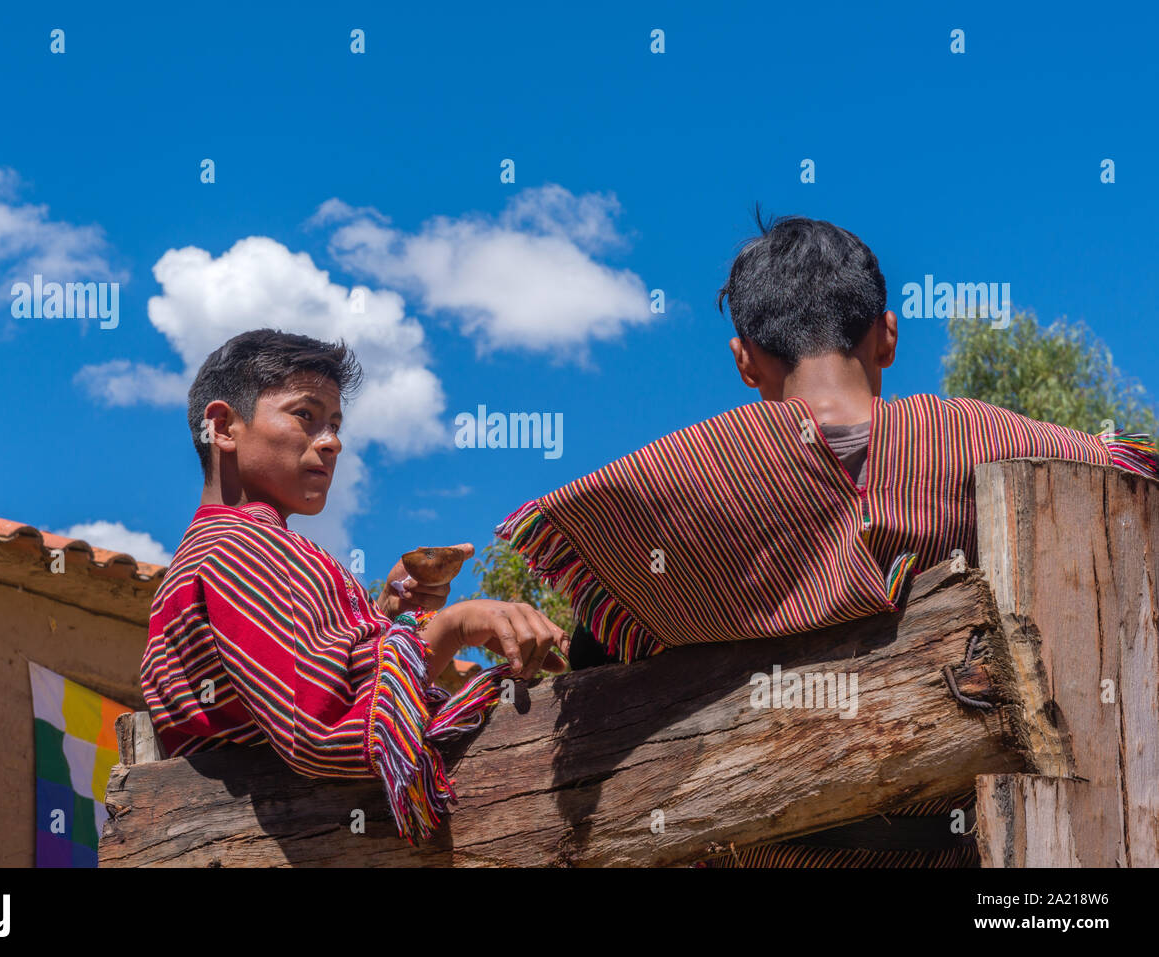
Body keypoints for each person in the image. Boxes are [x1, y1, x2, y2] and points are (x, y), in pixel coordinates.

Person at [496, 212, 1157, 865]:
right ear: (887, 336)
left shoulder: (677, 488)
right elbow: (1126, 479)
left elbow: (595, 669)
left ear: (745, 359)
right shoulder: (993, 443)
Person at [141, 329, 567, 843]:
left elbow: (321, 676)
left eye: (336, 424)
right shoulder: (238, 548)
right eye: (306, 415)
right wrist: (453, 628)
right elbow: (320, 715)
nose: (332, 441)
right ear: (224, 426)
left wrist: (389, 615)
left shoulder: (240, 545)